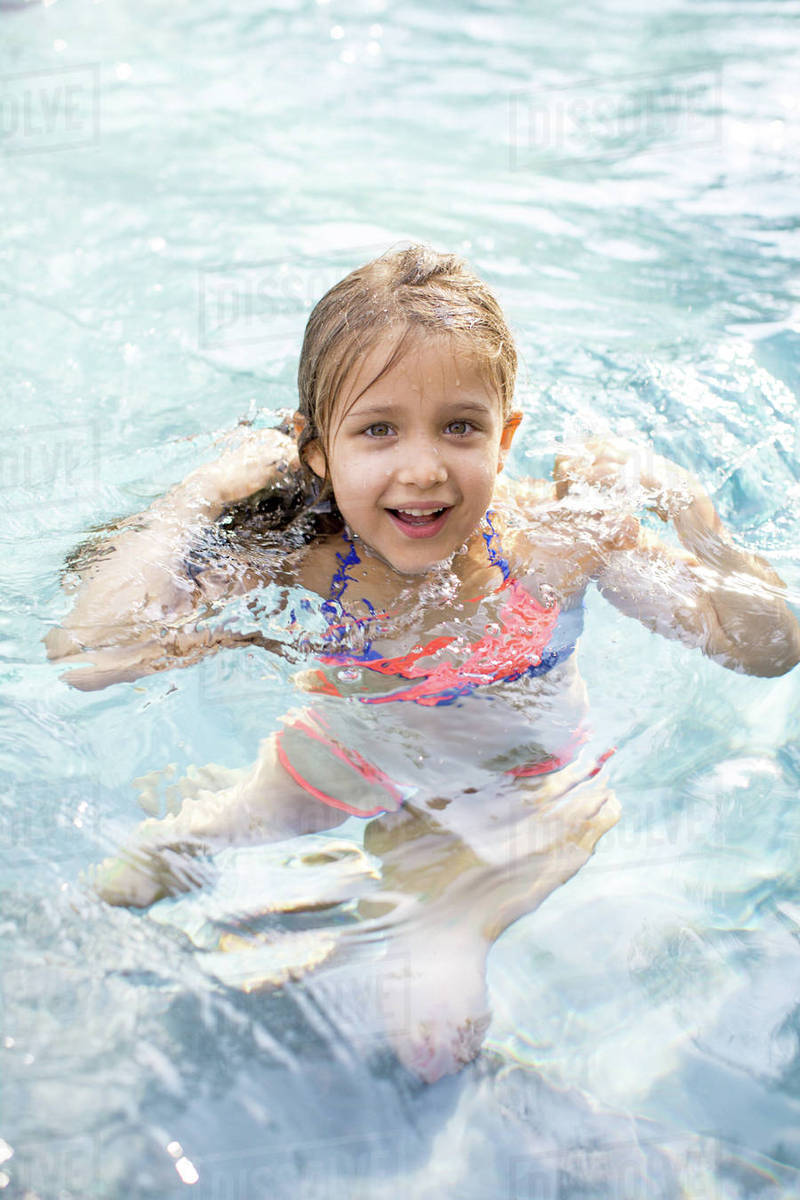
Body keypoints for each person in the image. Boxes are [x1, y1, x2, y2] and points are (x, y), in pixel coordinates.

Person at [47, 245, 800, 1082]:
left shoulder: (558, 540)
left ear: (506, 436)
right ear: (316, 452)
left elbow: (766, 652)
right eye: (377, 429)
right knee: (135, 873)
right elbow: (91, 658)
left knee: (433, 1044)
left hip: (523, 793)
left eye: (460, 426)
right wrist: (198, 498)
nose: (423, 467)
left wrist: (687, 512)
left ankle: (451, 919)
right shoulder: (303, 554)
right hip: (341, 754)